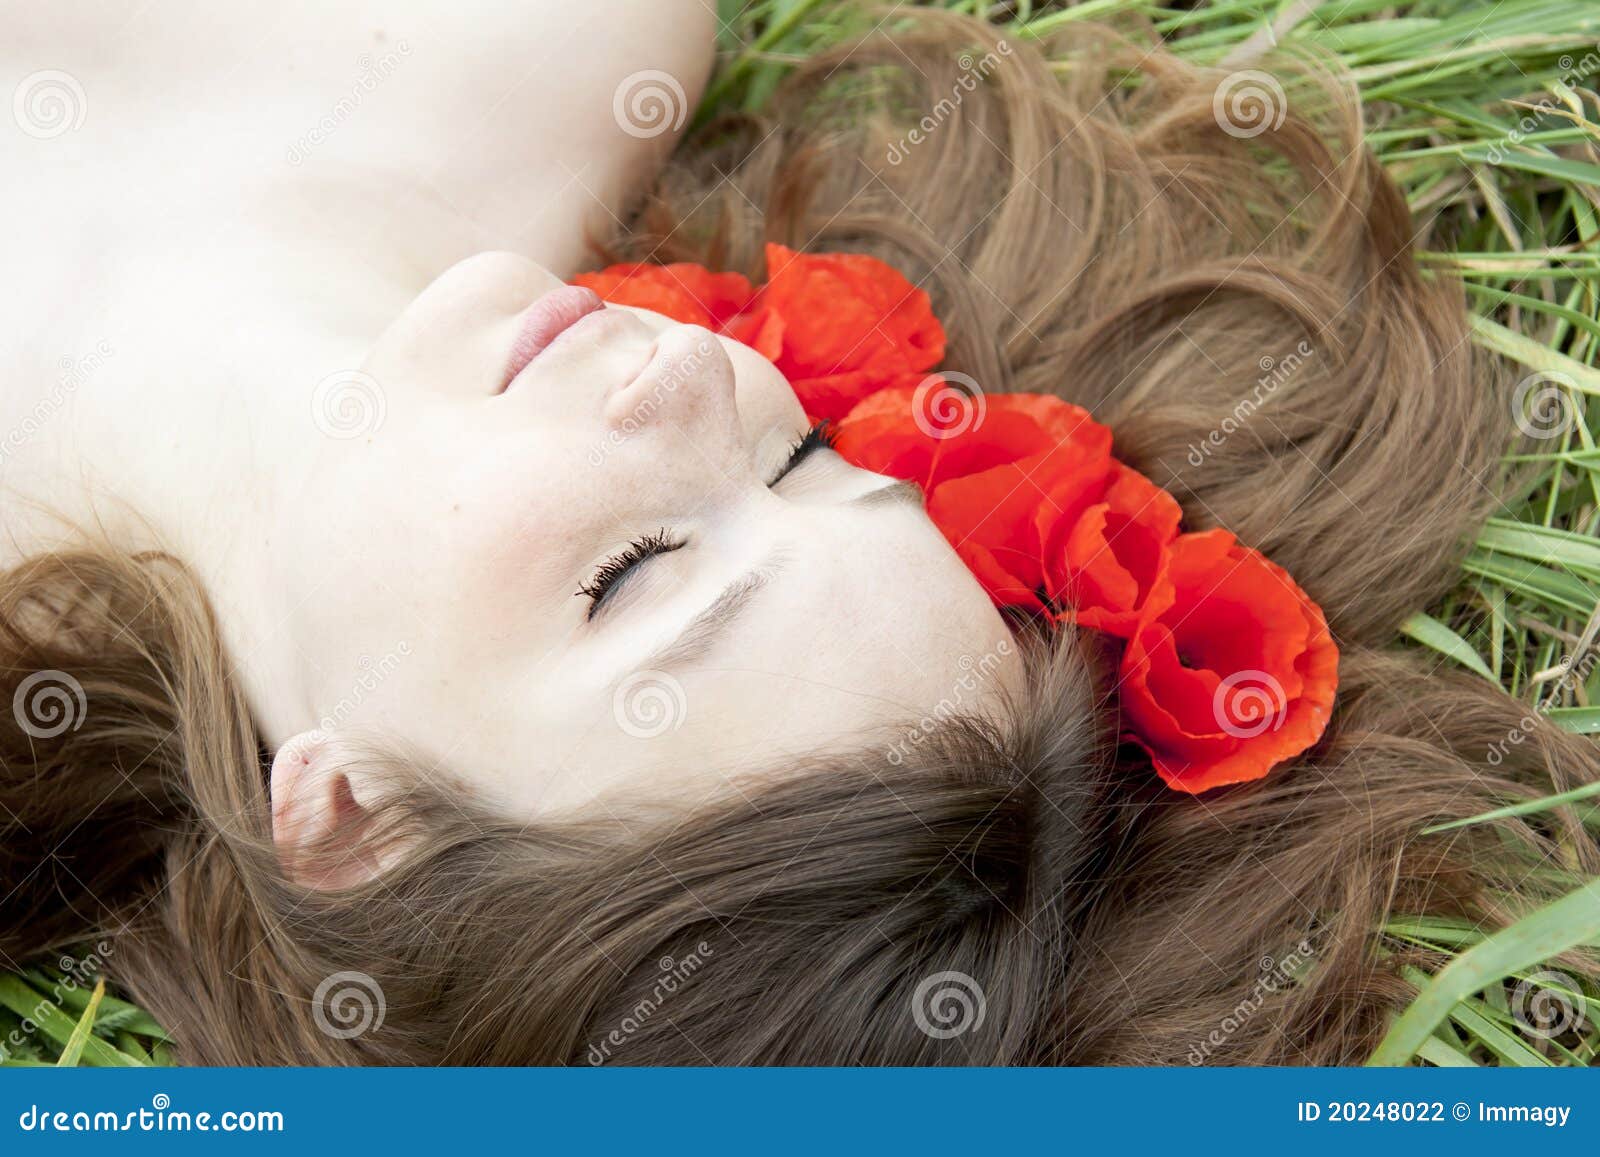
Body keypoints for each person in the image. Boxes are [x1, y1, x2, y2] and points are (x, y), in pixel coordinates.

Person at [1, 3, 1593, 1064]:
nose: (702, 378)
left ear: (353, 822)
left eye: (636, 575)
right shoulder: (552, 38)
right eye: (807, 452)